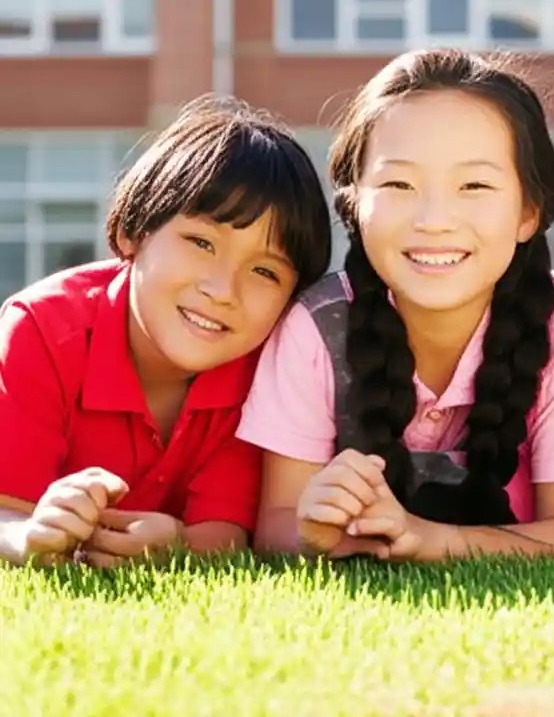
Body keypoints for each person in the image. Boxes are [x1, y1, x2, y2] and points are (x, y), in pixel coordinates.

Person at [240, 50, 554, 561]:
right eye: (399, 184)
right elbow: (276, 523)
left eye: (474, 186)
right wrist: (313, 531)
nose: (435, 219)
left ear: (529, 212)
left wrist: (430, 540)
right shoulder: (315, 326)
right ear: (354, 203)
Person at [0, 95, 332, 567]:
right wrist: (31, 537)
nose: (222, 290)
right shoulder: (41, 329)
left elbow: (227, 532)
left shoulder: (264, 365)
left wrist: (180, 545)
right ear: (133, 232)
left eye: (265, 272)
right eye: (200, 242)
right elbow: (5, 511)